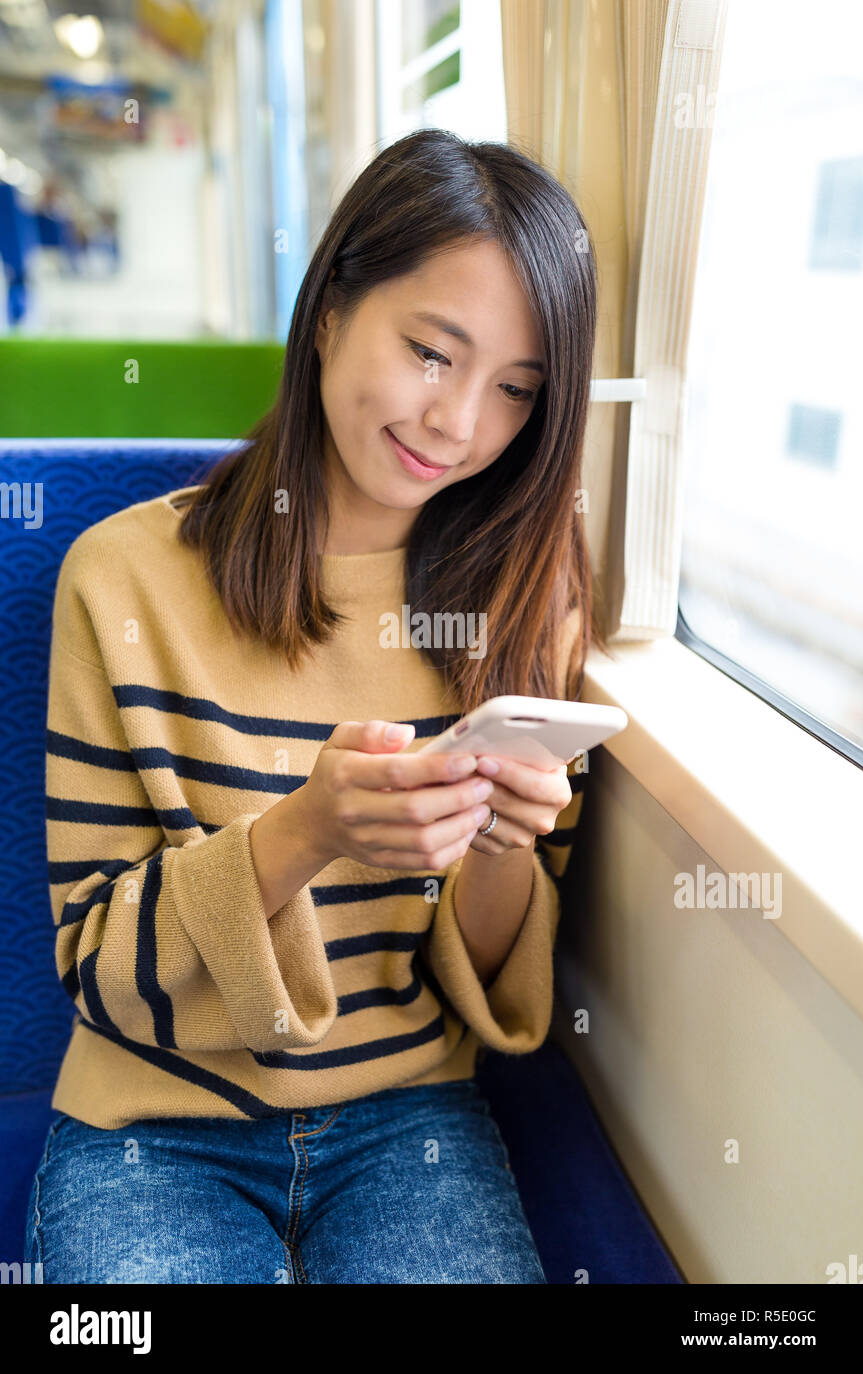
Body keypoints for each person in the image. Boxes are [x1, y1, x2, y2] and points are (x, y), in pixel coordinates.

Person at [25, 127, 599, 1284]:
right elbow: (97, 967)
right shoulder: (121, 578)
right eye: (432, 353)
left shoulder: (529, 596)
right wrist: (305, 833)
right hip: (151, 1122)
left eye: (514, 391)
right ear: (330, 306)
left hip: (407, 1123)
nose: (458, 424)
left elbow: (475, 982)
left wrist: (499, 842)